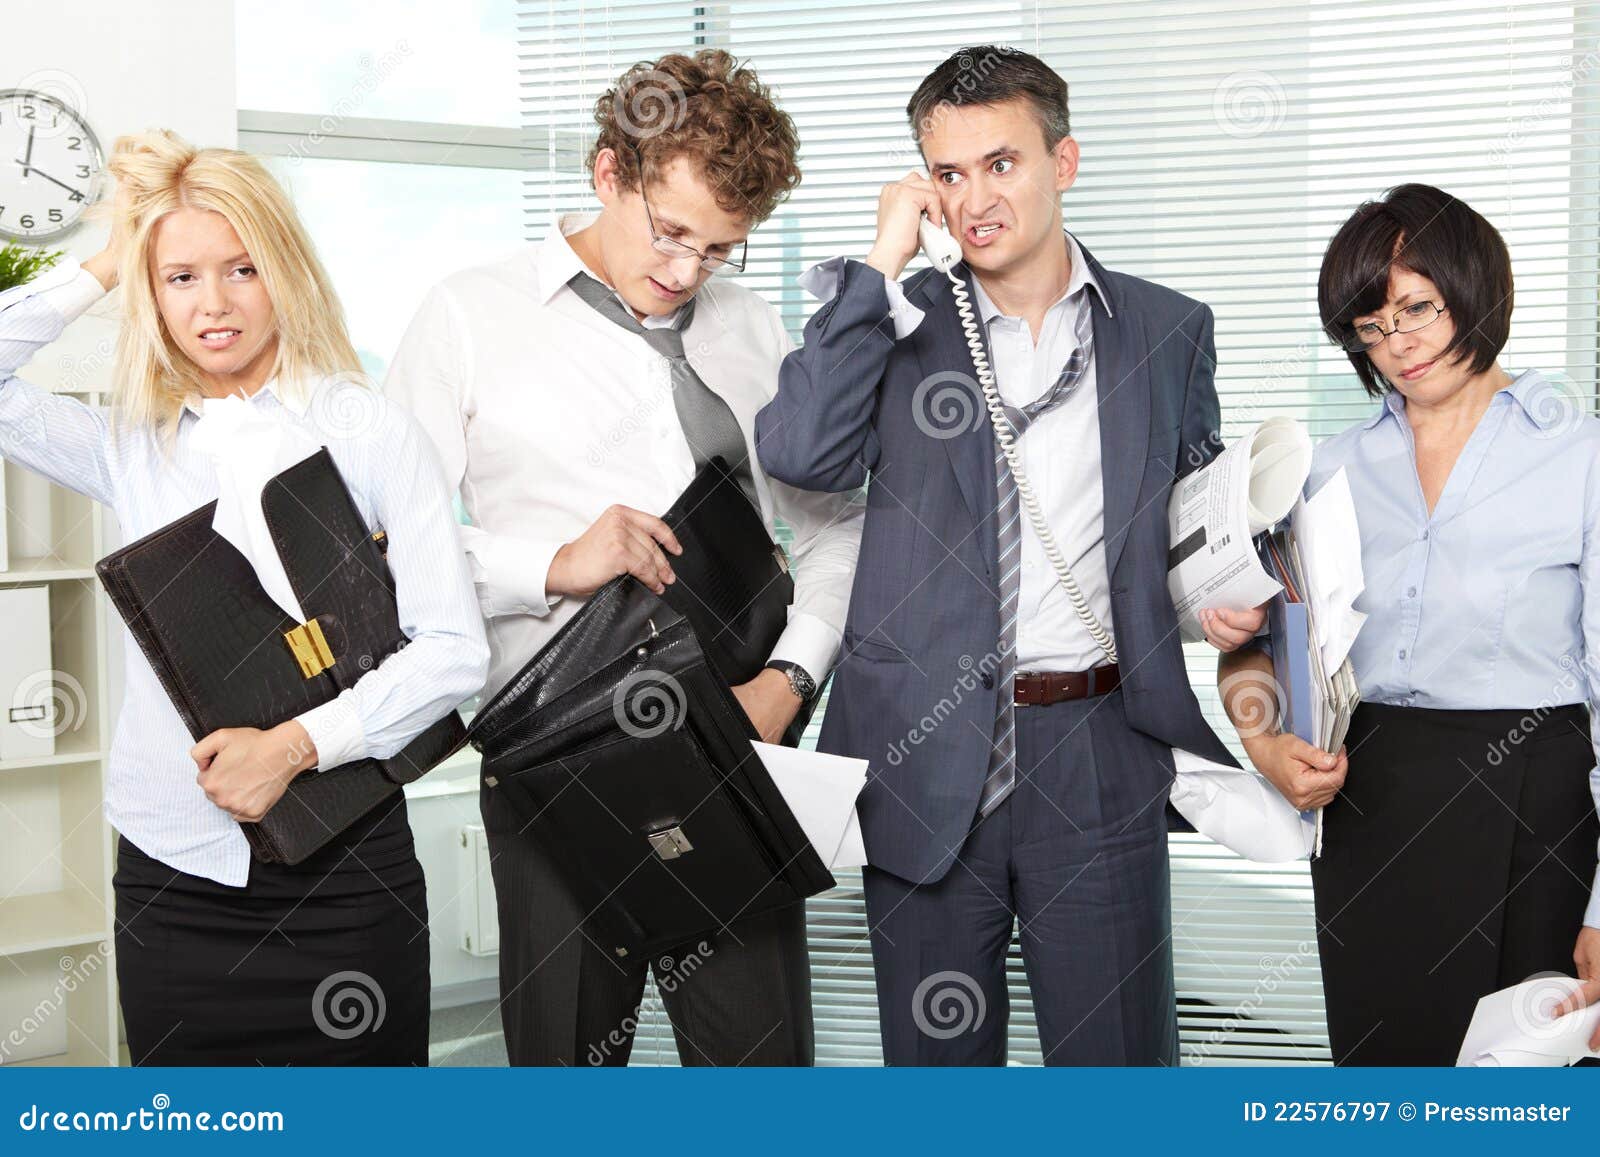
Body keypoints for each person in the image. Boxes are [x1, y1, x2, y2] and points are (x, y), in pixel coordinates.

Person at [755, 45, 1236, 1065]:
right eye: (947, 172)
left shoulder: (1167, 329)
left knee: (1116, 1067)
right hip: (921, 752)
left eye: (1001, 163)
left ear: (1063, 162)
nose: (974, 197)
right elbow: (800, 451)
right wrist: (882, 261)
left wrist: (1217, 602)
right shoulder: (892, 320)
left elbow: (1193, 521)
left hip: (1098, 747)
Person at [385, 49, 864, 1067]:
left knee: (761, 1078)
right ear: (610, 173)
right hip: (558, 767)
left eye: (720, 248)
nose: (686, 270)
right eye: (670, 230)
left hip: (736, 759)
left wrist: (790, 677)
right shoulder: (468, 315)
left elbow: (830, 529)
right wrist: (552, 560)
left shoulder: (751, 324)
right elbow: (392, 551)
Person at [0, 130, 489, 1065]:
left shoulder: (369, 428)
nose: (212, 304)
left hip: (347, 871)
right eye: (179, 277)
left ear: (285, 272)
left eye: (240, 268)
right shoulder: (130, 442)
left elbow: (452, 648)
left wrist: (297, 745)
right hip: (173, 874)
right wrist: (110, 258)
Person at [1205, 183, 1600, 1064]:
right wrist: (1267, 742)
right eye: (1370, 328)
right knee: (1382, 1073)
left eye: (1416, 307)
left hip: (1537, 800)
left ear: (1475, 286)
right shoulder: (1324, 471)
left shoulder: (1581, 455)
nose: (1398, 344)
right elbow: (1255, 659)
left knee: (1517, 1092)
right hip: (1366, 801)